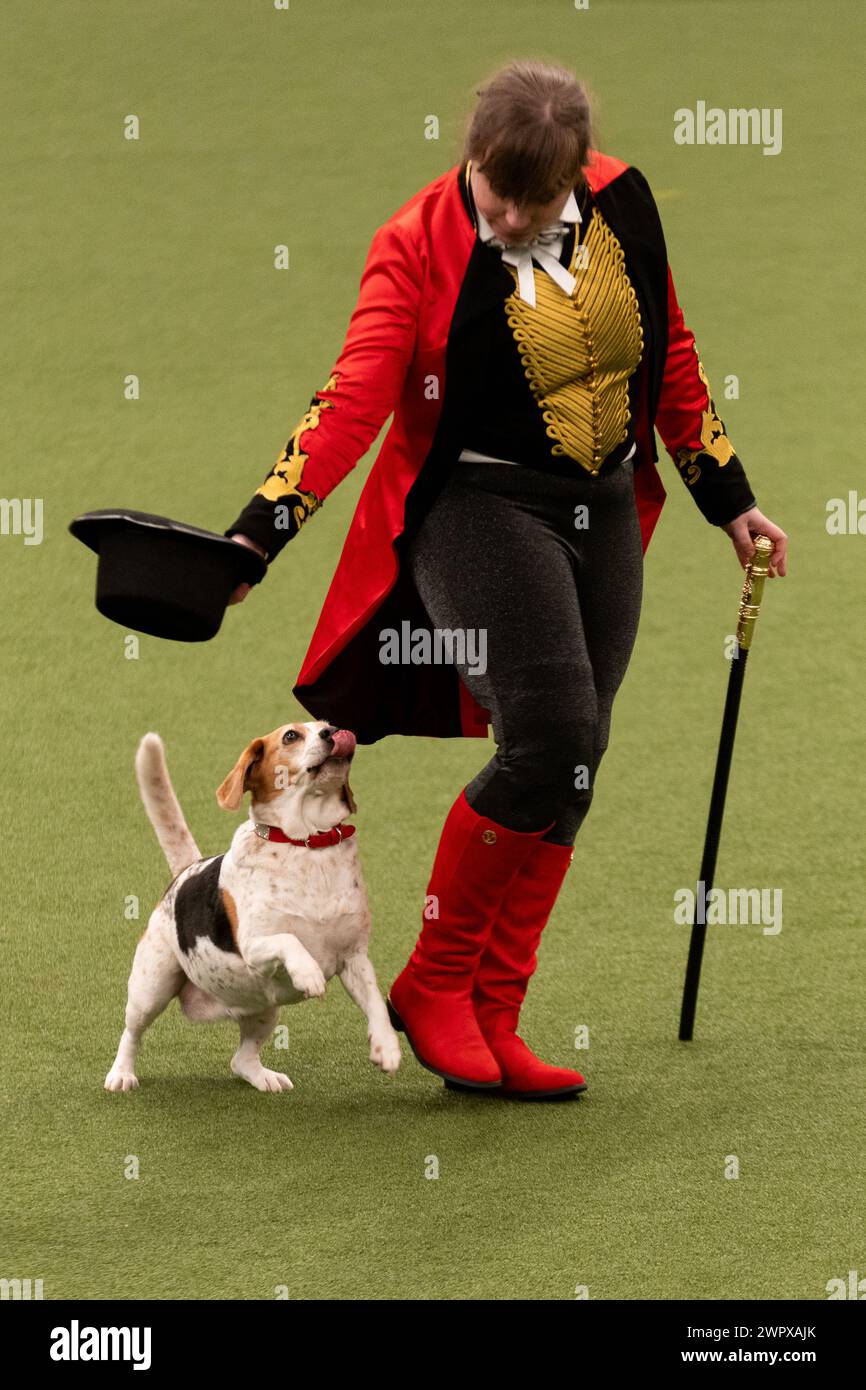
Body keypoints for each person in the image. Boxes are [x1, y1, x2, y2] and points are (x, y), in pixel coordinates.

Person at [223, 60, 788, 1100]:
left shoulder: (623, 198)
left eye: (534, 203)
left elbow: (667, 353)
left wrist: (728, 495)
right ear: (470, 154)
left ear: (576, 168)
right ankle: (436, 982)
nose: (509, 220)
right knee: (550, 733)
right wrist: (258, 532)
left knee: (578, 751)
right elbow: (353, 393)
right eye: (494, 196)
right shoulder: (413, 243)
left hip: (602, 504)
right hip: (474, 507)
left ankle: (495, 1005)